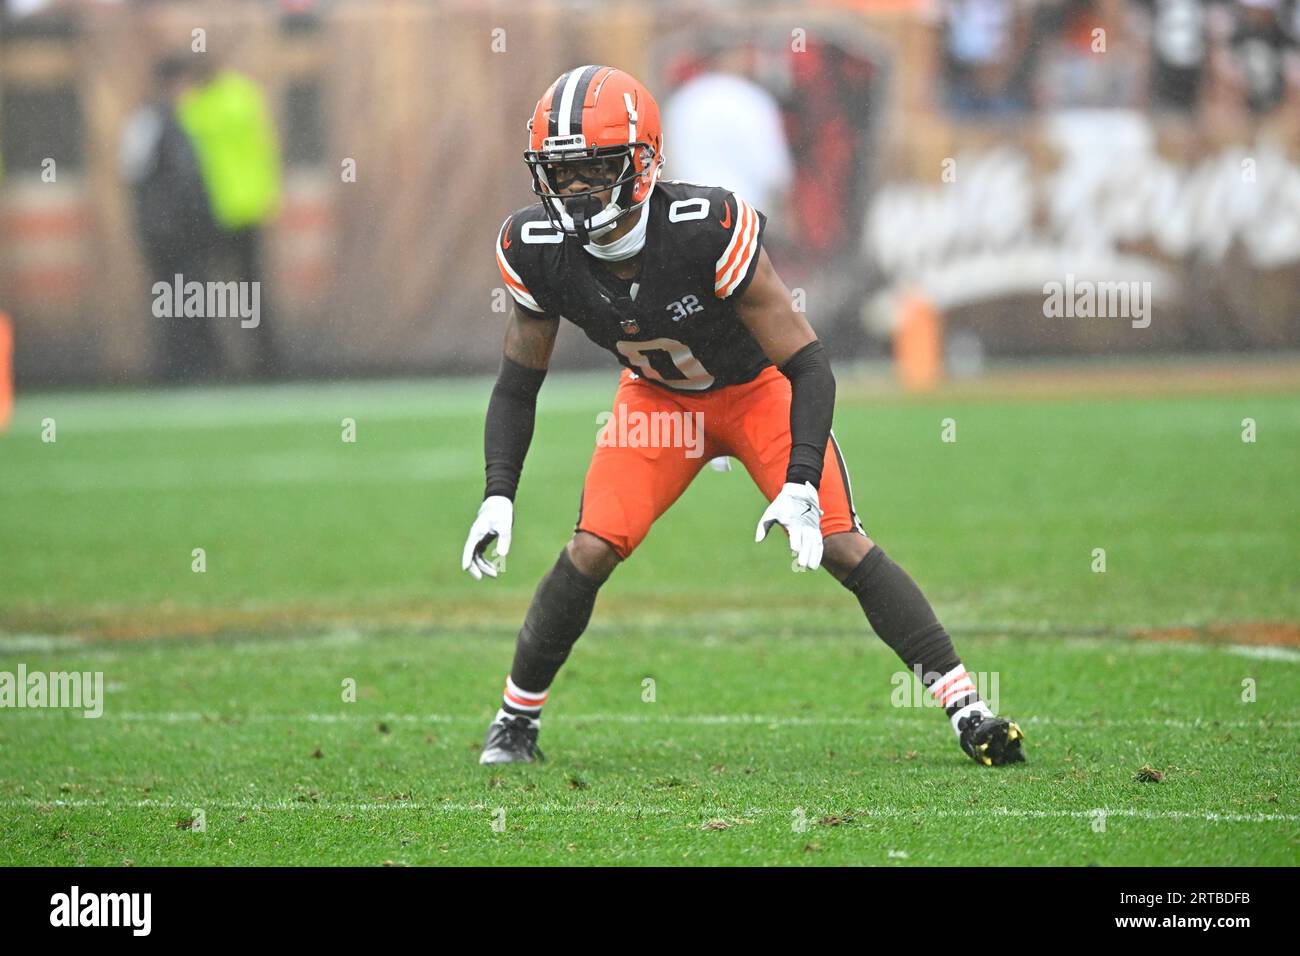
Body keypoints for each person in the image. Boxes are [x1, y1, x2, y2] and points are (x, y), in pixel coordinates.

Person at [463, 66, 1025, 768]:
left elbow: (809, 363)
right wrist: (498, 492)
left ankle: (966, 706)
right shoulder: (534, 247)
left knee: (840, 538)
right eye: (561, 172)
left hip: (756, 390)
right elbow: (519, 384)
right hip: (659, 403)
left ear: (640, 165)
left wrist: (797, 480)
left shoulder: (705, 228)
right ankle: (515, 722)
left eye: (594, 169)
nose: (574, 190)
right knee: (591, 547)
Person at [119, 56, 223, 382]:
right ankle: (178, 366)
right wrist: (157, 220)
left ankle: (197, 364)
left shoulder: (182, 121)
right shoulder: (148, 121)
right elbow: (134, 173)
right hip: (165, 231)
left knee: (191, 296)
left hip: (187, 230)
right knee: (172, 298)